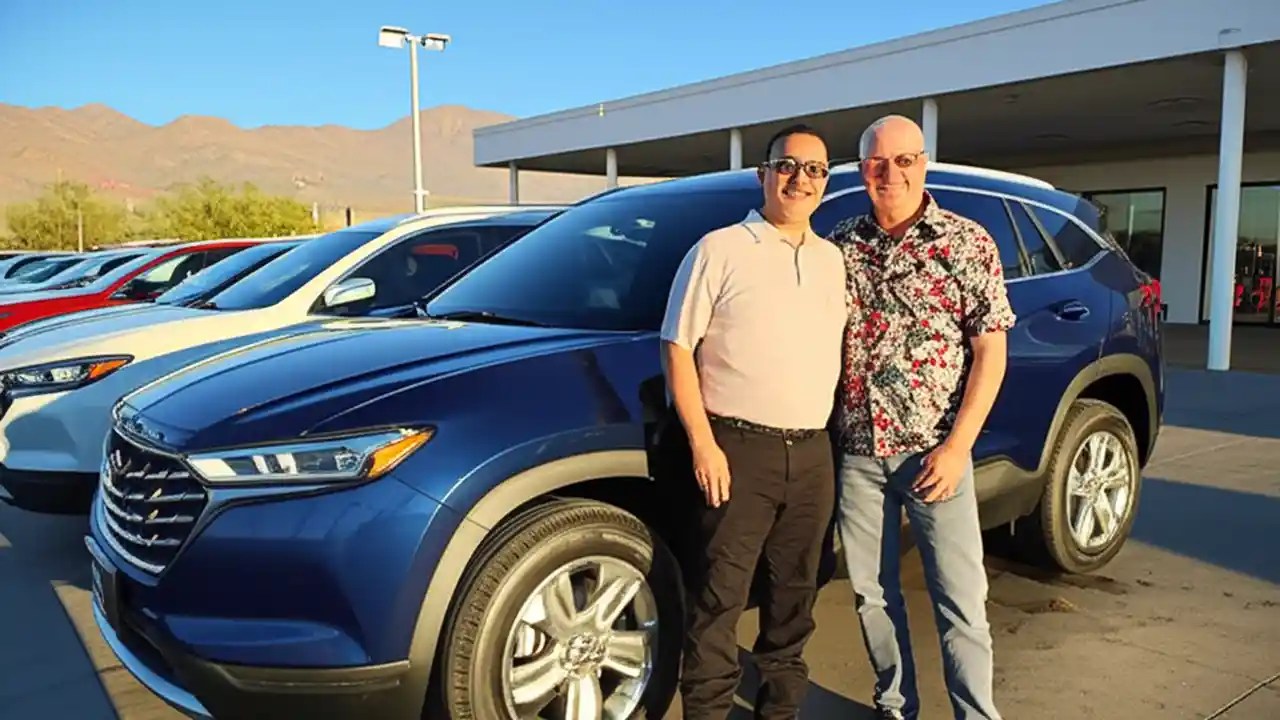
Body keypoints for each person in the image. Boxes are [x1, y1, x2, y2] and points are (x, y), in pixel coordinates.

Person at [829, 115, 1015, 720]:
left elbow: (991, 351)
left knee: (960, 602)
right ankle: (895, 708)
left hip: (935, 453)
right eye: (878, 163)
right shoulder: (841, 243)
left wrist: (958, 446)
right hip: (858, 452)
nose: (891, 173)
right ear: (862, 171)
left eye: (904, 160)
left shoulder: (966, 242)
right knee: (872, 597)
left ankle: (976, 715)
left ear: (923, 162)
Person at [660, 124, 847, 720]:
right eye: (787, 166)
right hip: (737, 451)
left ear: (825, 181)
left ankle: (779, 712)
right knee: (719, 601)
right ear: (762, 175)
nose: (800, 179)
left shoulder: (833, 260)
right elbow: (677, 347)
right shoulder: (719, 249)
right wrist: (703, 445)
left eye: (814, 170)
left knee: (795, 601)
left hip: (813, 454)